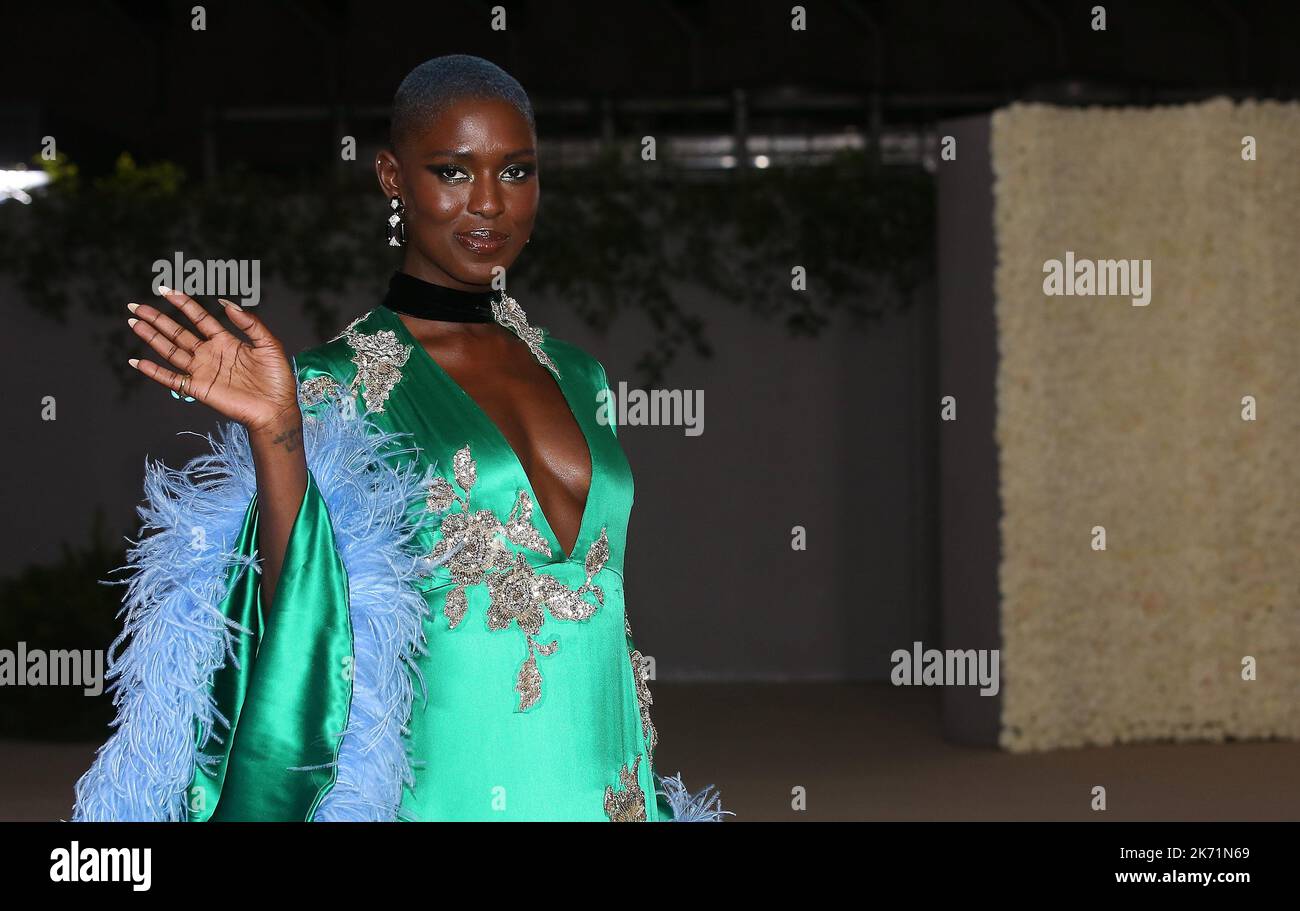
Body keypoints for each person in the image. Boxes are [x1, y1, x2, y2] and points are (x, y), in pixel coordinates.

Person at [71, 54, 729, 822]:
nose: (489, 204)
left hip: (609, 790)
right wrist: (279, 433)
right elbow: (293, 618)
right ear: (393, 177)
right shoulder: (335, 384)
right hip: (447, 793)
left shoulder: (580, 376)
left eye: (516, 173)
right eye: (453, 171)